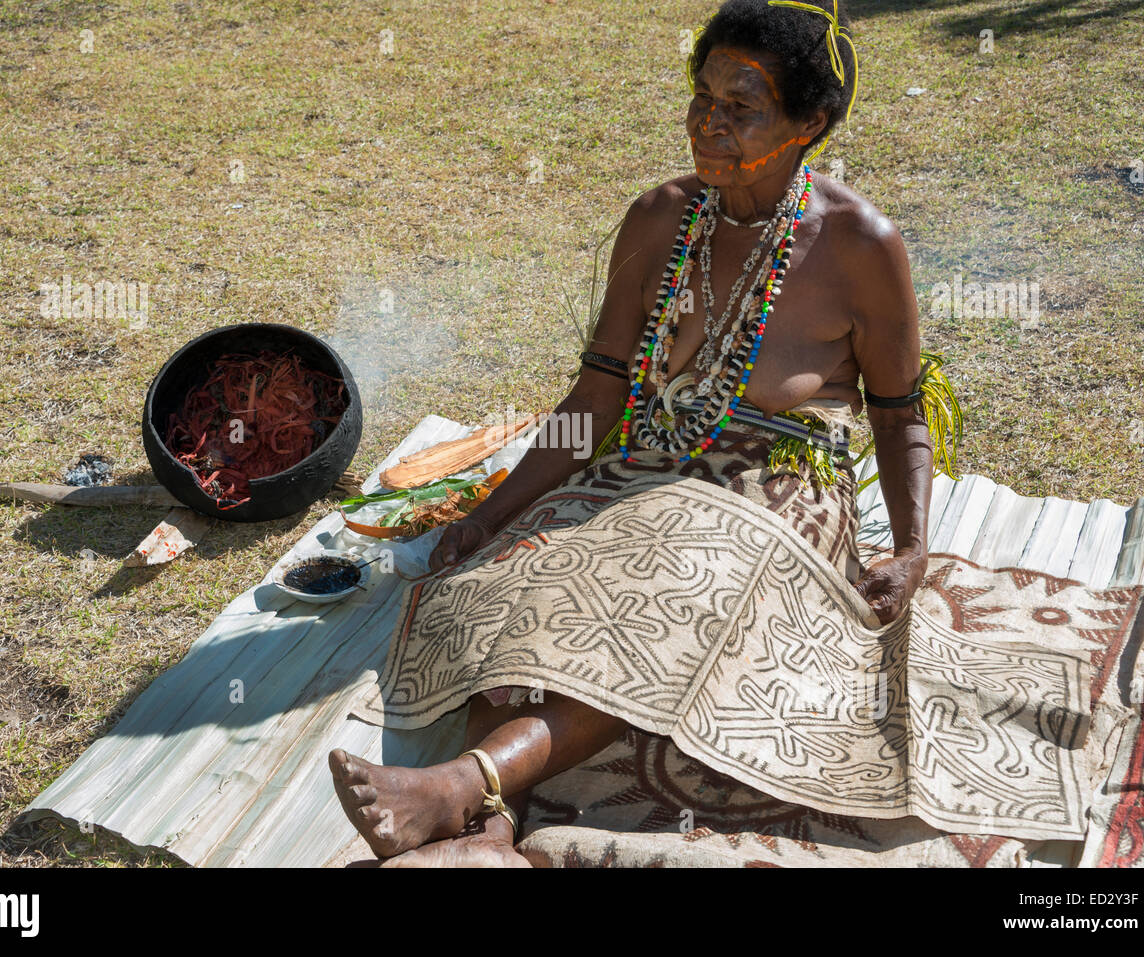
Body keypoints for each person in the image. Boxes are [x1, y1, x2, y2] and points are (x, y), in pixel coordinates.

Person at [330, 0, 933, 867]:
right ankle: (490, 836)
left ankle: (464, 788)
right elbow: (600, 392)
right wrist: (500, 511)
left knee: (674, 603)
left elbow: (898, 406)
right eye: (701, 94)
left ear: (811, 124)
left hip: (775, 488)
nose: (705, 122)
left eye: (741, 107)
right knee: (523, 586)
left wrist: (913, 550)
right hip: (643, 460)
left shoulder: (858, 244)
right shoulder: (660, 217)